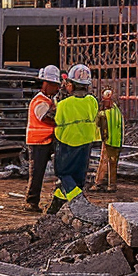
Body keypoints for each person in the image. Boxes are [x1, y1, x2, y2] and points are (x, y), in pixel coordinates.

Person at [47, 63, 99, 214]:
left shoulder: (63, 104)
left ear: (71, 85)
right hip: (86, 142)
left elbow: (55, 119)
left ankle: (79, 202)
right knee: (77, 177)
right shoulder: (92, 101)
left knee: (63, 174)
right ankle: (55, 206)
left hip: (67, 143)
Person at [23, 65, 61, 212]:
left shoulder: (48, 100)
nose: (56, 89)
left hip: (47, 140)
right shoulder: (39, 101)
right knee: (37, 174)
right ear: (46, 84)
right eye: (55, 85)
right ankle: (31, 201)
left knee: (56, 171)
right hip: (37, 142)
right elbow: (47, 119)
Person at [92, 89, 123, 193]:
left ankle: (98, 183)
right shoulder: (117, 111)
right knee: (113, 164)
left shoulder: (104, 114)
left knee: (104, 161)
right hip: (117, 141)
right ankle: (111, 185)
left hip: (109, 140)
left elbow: (96, 122)